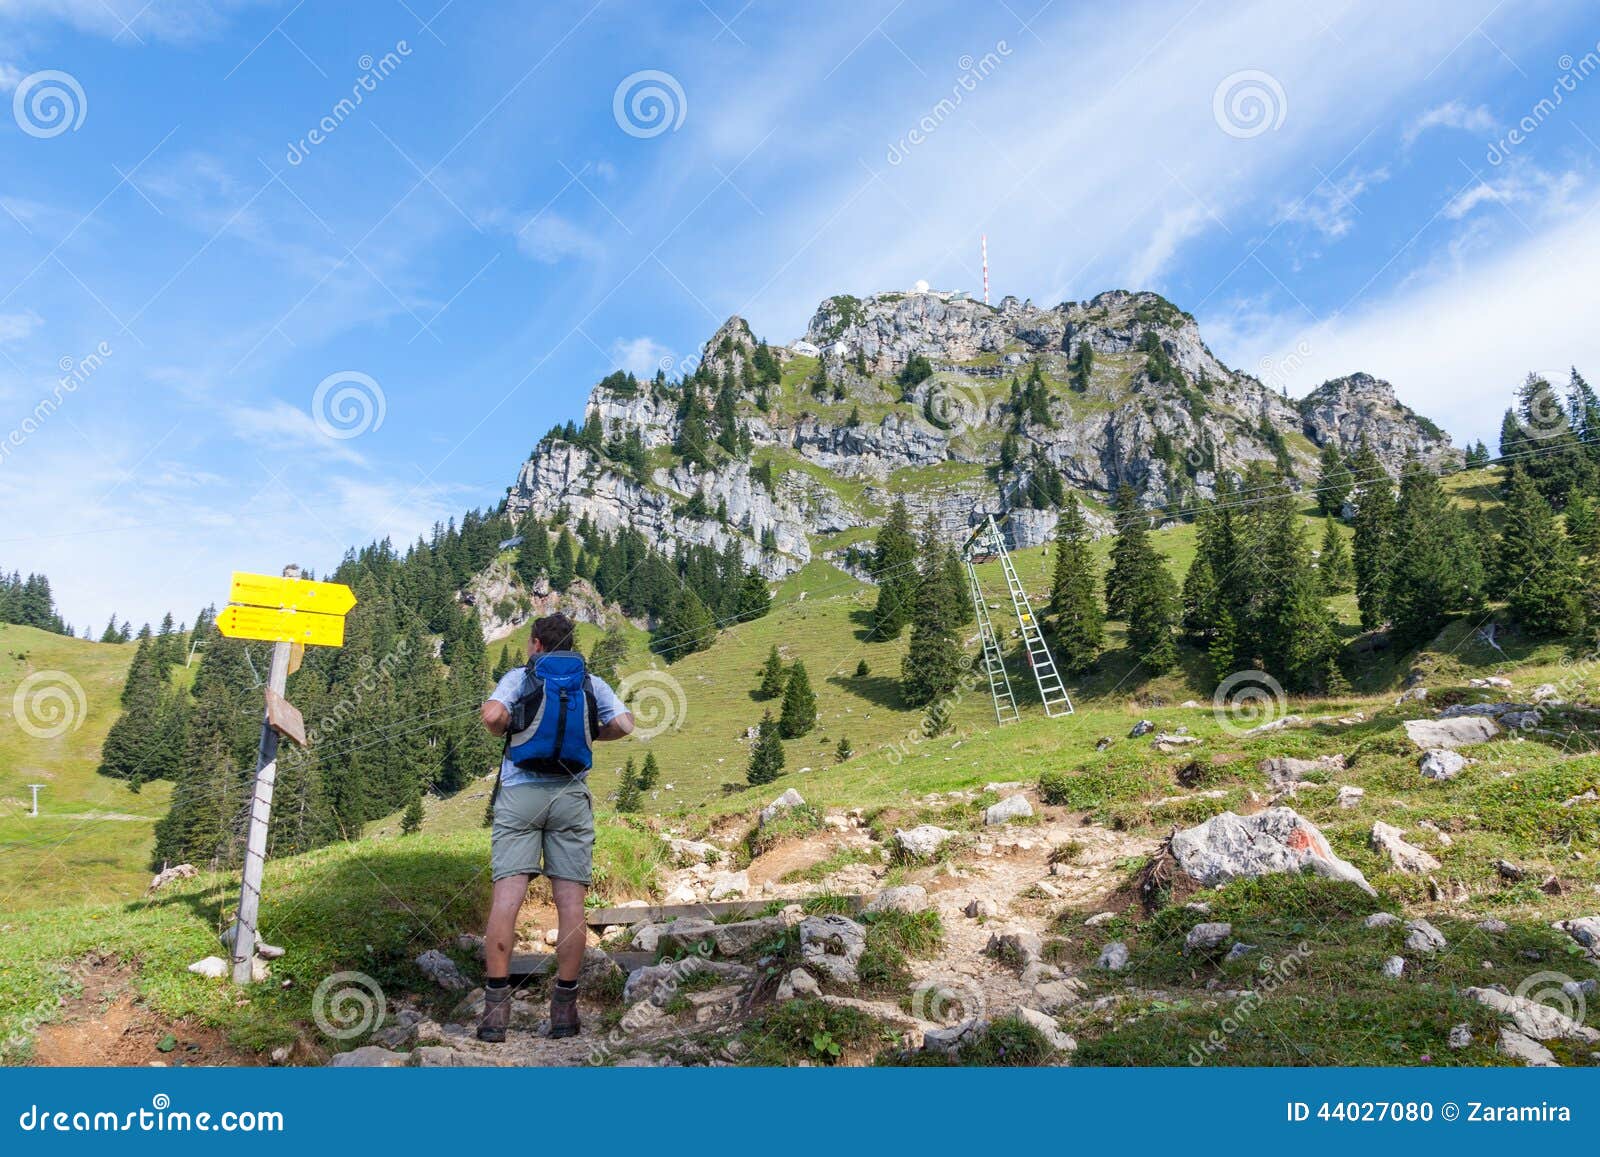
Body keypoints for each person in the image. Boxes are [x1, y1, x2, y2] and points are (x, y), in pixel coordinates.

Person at [476, 612, 633, 1041]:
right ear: (570, 643)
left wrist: (514, 723)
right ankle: (564, 1010)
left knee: (507, 899)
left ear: (536, 644)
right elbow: (624, 723)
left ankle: (495, 1012)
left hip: (520, 795)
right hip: (570, 796)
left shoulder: (520, 676)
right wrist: (590, 733)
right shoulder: (589, 682)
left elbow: (492, 717)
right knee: (571, 905)